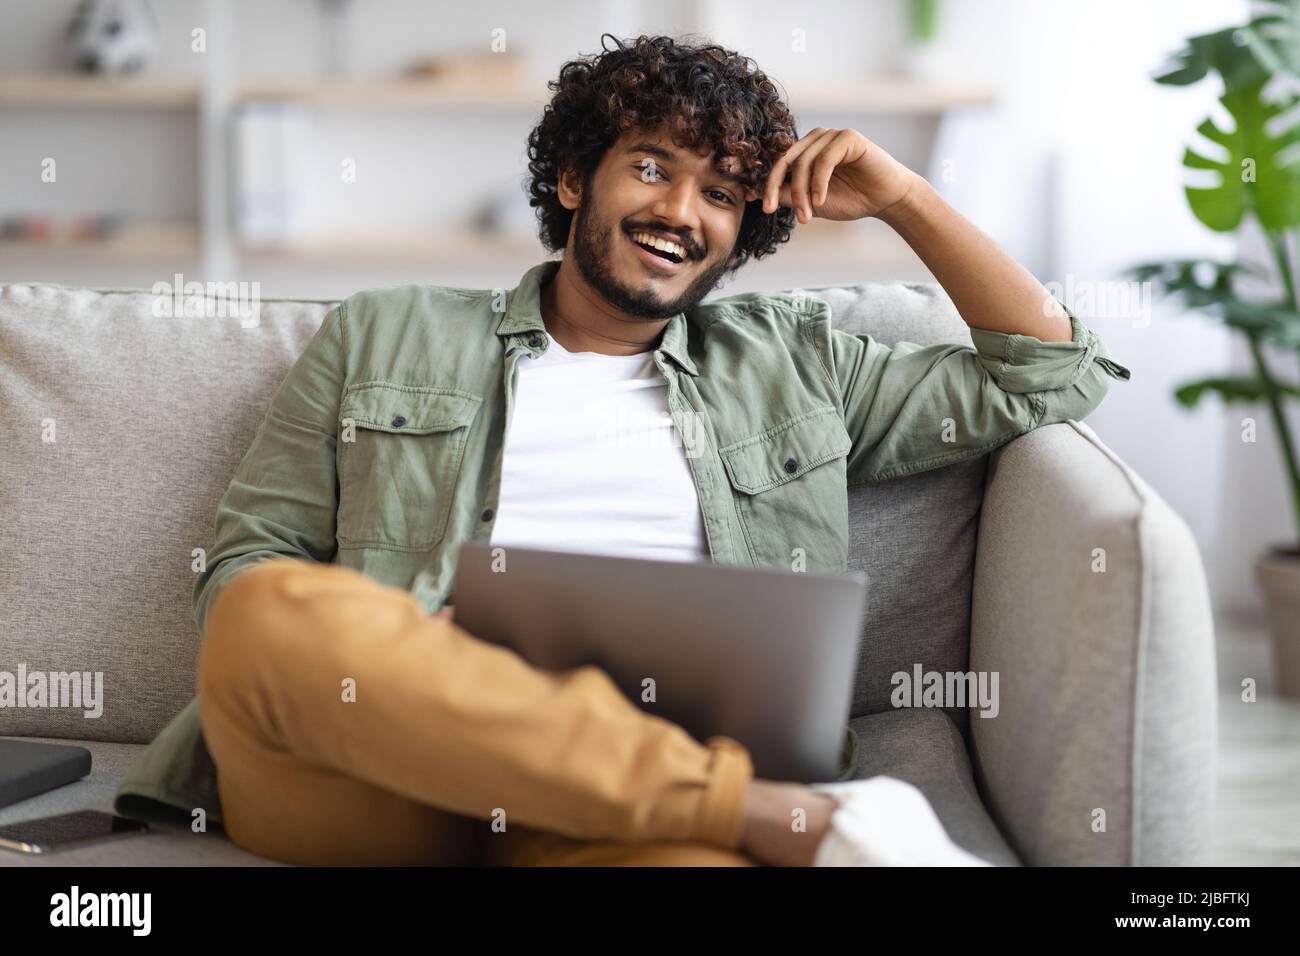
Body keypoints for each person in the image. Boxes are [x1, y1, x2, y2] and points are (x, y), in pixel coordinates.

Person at [121, 33, 1130, 867]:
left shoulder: (796, 367)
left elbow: (1047, 376)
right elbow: (247, 571)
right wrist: (427, 673)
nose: (679, 213)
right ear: (572, 179)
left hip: (646, 801)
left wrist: (907, 196)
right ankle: (808, 826)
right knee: (263, 609)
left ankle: (729, 806)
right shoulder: (383, 332)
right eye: (651, 166)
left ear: (743, 234)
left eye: (722, 194)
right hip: (383, 780)